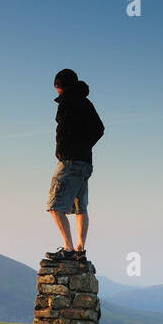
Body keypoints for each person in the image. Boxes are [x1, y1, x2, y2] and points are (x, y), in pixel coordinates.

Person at [46, 68, 104, 260]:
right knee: (81, 207)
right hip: (85, 162)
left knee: (55, 205)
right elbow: (99, 128)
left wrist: (62, 150)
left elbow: (61, 129)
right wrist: (85, 146)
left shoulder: (67, 102)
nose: (57, 91)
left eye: (58, 87)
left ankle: (68, 248)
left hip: (70, 161)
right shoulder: (86, 103)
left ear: (62, 86)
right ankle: (79, 249)